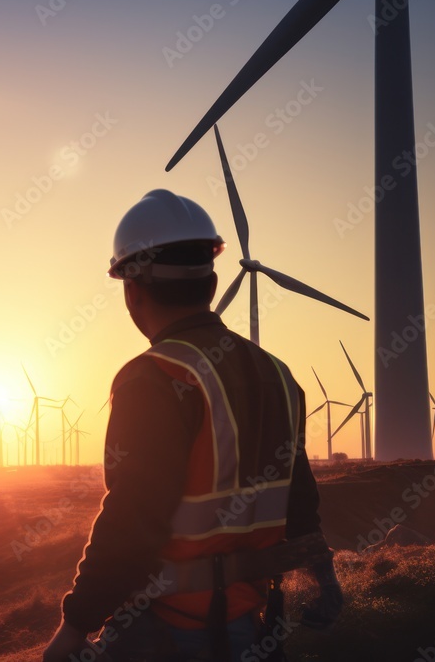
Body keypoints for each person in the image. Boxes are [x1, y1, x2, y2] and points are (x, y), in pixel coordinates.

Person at [43, 190, 343, 662]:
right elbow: (300, 498)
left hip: (163, 628)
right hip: (252, 626)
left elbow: (132, 518)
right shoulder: (277, 374)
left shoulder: (155, 377)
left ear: (132, 289)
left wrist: (75, 626)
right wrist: (324, 577)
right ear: (213, 279)